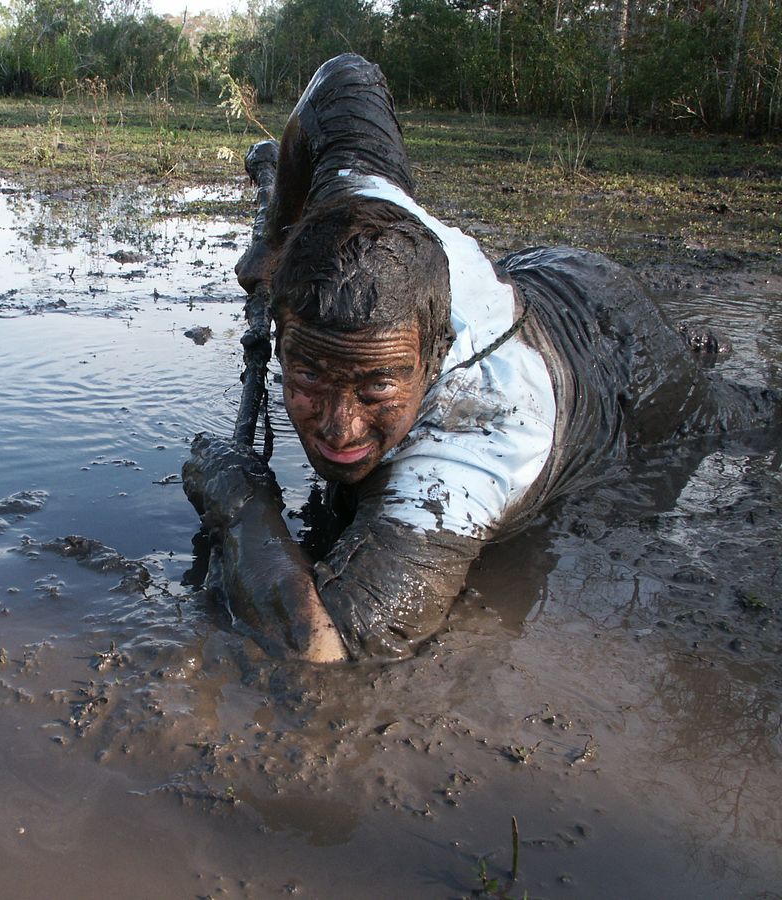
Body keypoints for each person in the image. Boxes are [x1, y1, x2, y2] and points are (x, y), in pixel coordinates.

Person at [182, 53, 776, 664]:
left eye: (378, 385)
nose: (340, 426)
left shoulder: (472, 446)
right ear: (282, 330)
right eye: (308, 373)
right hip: (534, 275)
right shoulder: (359, 209)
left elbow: (328, 649)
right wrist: (275, 241)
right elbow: (344, 79)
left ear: (436, 357)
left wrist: (239, 503)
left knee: (743, 417)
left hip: (625, 366)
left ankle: (694, 355)